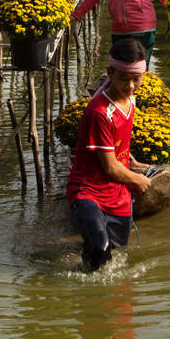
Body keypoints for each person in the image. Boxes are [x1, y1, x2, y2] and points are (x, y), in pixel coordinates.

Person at [66, 37, 157, 271]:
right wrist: (138, 179)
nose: (129, 86)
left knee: (114, 260)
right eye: (123, 79)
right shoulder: (100, 112)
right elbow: (110, 167)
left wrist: (133, 163)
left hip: (118, 196)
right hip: (89, 192)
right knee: (101, 248)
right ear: (110, 72)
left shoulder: (130, 101)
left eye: (136, 80)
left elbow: (119, 148)